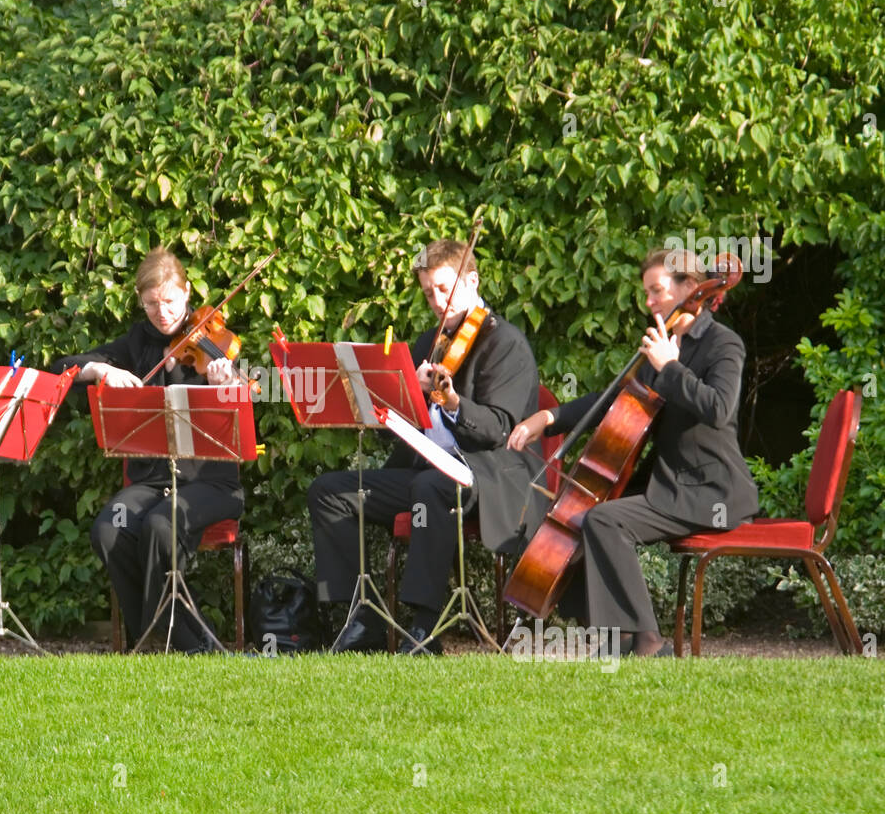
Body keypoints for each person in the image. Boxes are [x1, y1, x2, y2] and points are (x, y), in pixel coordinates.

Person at [507, 248, 759, 656]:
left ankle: (645, 641)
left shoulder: (722, 344)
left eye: (657, 291)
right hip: (670, 484)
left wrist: (671, 368)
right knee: (586, 519)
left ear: (691, 288)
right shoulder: (663, 344)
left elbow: (718, 408)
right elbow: (614, 401)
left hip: (712, 490)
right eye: (646, 293)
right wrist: (549, 418)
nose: (649, 303)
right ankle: (615, 638)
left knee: (604, 521)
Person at [308, 239, 547, 653]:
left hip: (488, 476)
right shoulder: (427, 344)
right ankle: (361, 619)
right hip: (428, 469)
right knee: (329, 492)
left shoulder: (505, 343)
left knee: (431, 489)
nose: (437, 301)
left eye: (445, 289)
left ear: (472, 281)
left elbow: (499, 429)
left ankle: (425, 626)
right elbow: (400, 430)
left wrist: (454, 402)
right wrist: (394, 399)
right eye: (428, 292)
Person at [52, 248, 244, 653]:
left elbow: (240, 413)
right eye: (152, 304)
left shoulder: (213, 348)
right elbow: (63, 369)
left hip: (208, 482)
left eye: (171, 301)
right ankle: (152, 634)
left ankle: (186, 640)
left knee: (160, 525)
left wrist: (223, 385)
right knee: (109, 528)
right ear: (141, 301)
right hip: (154, 480)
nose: (163, 313)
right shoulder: (137, 343)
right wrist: (99, 370)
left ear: (187, 292)